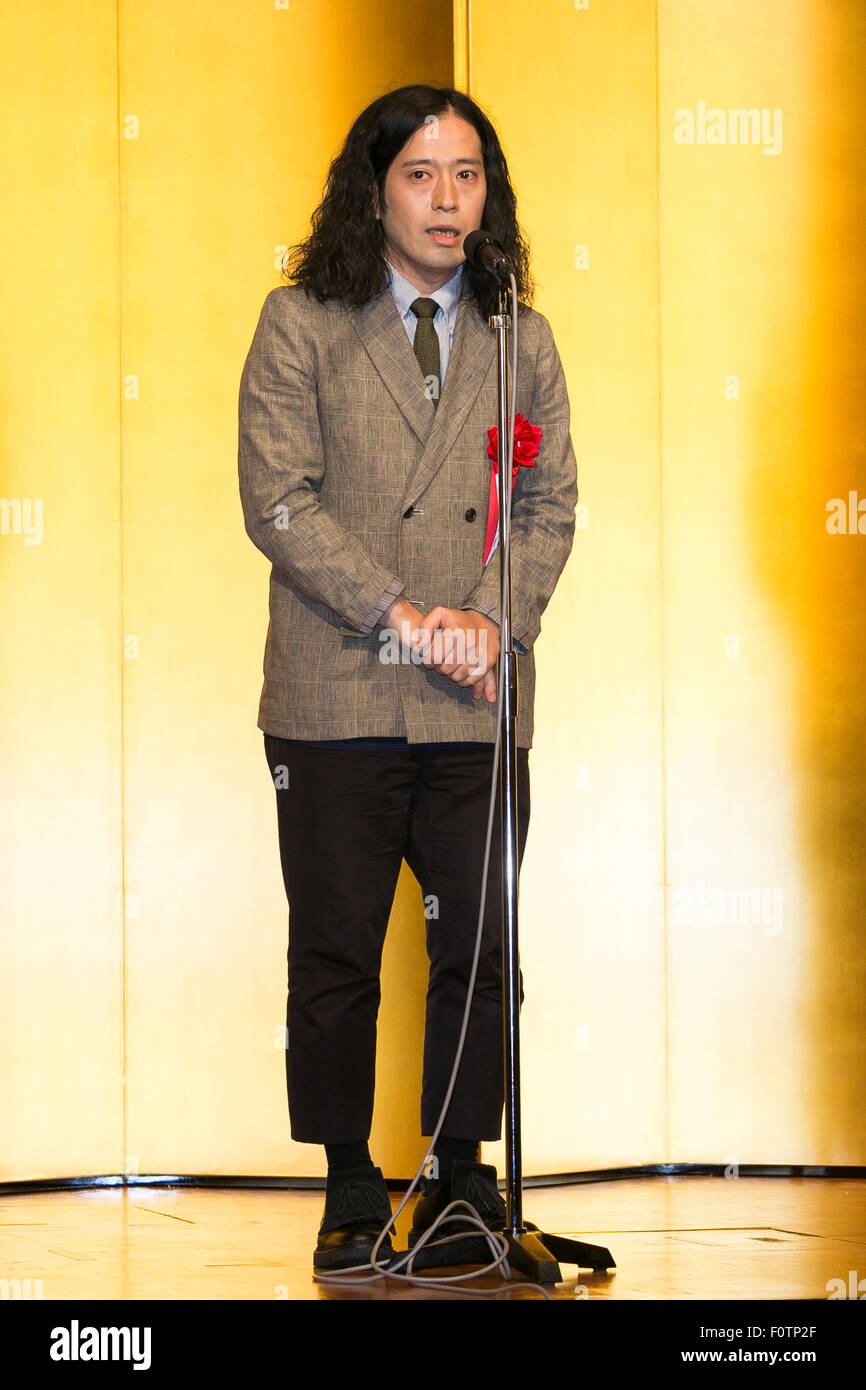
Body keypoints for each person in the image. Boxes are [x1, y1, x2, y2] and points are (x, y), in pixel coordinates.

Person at [238, 84, 578, 1271]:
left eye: (468, 174)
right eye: (421, 174)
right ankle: (344, 1185)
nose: (447, 199)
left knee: (478, 948)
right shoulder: (301, 321)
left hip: (475, 696)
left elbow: (549, 503)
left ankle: (458, 1182)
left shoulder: (514, 335)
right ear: (372, 189)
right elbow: (278, 498)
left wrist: (490, 619)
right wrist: (402, 614)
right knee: (335, 949)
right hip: (337, 694)